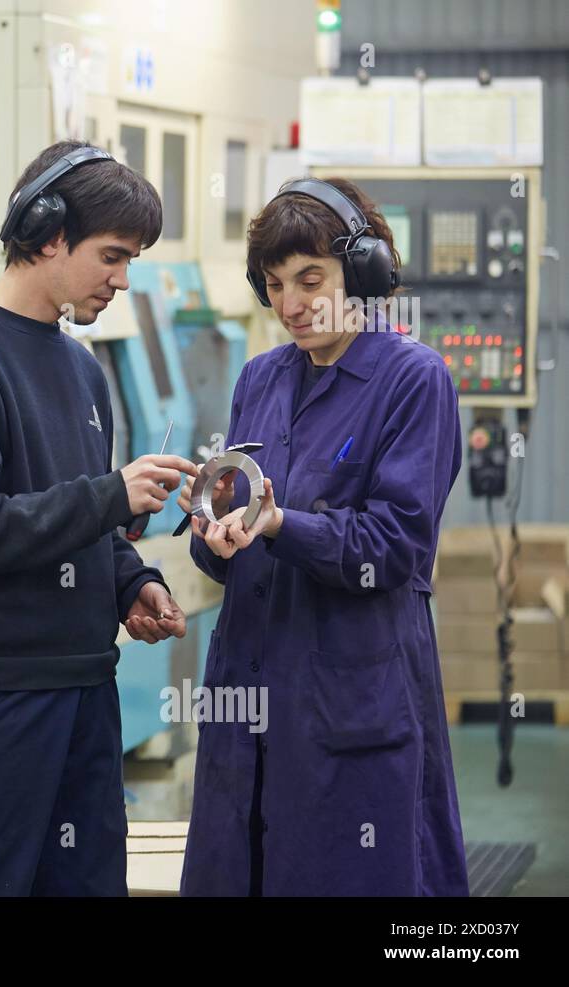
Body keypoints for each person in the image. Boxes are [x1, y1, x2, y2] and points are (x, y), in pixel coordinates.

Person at [0, 140, 199, 896]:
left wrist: (130, 580)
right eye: (112, 256)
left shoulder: (80, 367)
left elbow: (78, 510)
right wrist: (111, 497)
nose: (124, 281)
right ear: (48, 233)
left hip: (85, 695)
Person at [176, 177, 468, 896]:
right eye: (274, 285)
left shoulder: (413, 380)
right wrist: (212, 530)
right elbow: (231, 539)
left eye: (311, 279)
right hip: (246, 698)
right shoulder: (260, 379)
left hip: (350, 702)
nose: (291, 304)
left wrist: (280, 523)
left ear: (363, 272)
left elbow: (392, 545)